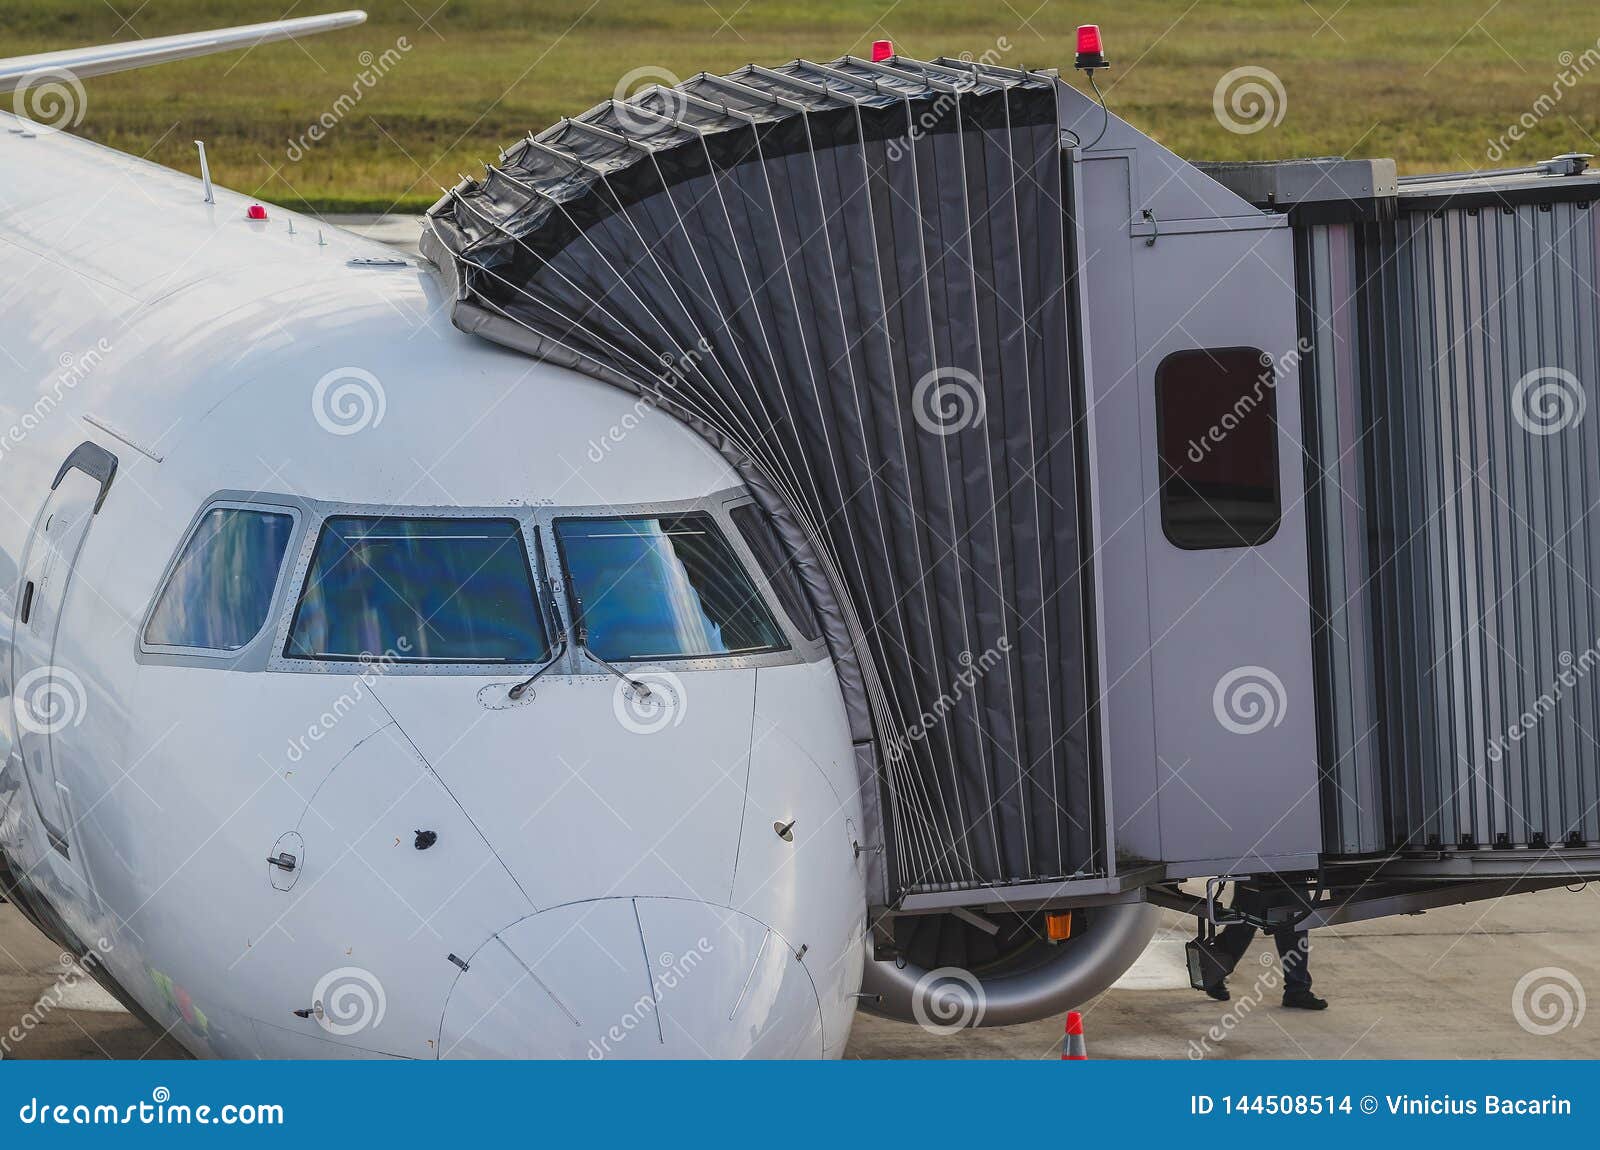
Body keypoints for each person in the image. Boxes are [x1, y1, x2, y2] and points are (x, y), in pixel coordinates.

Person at [1202, 883, 1327, 1010]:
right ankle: (1215, 973)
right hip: (1258, 871)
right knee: (1242, 926)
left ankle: (1298, 990)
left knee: (1295, 923)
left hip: (1292, 873)